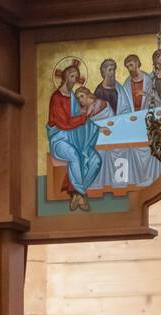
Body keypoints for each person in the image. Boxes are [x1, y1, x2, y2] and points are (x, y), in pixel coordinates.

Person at [46, 59, 103, 211]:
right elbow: (64, 123)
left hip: (76, 139)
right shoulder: (56, 98)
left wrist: (94, 122)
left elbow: (84, 116)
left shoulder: (73, 97)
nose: (75, 80)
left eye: (76, 77)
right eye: (72, 76)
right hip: (59, 139)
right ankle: (81, 194)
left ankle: (78, 194)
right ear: (65, 78)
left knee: (96, 160)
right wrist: (84, 117)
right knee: (74, 155)